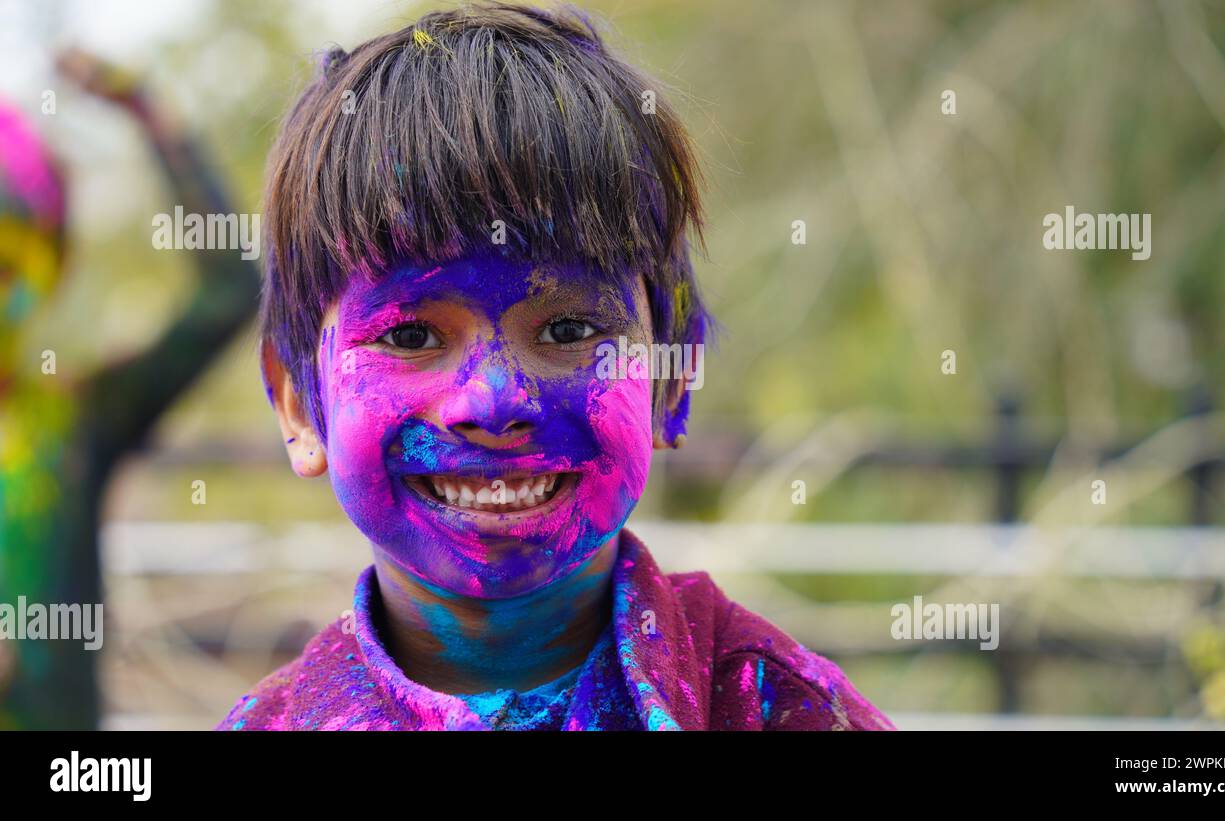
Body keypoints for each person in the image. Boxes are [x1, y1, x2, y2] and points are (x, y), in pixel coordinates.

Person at [217, 2, 893, 731]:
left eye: (569, 328)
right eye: (411, 335)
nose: (494, 398)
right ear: (296, 400)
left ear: (672, 378)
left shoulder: (781, 709)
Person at [0, 52, 262, 729]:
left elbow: (228, 294)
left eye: (4, 265)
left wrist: (151, 112)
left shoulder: (72, 417)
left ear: (44, 268)